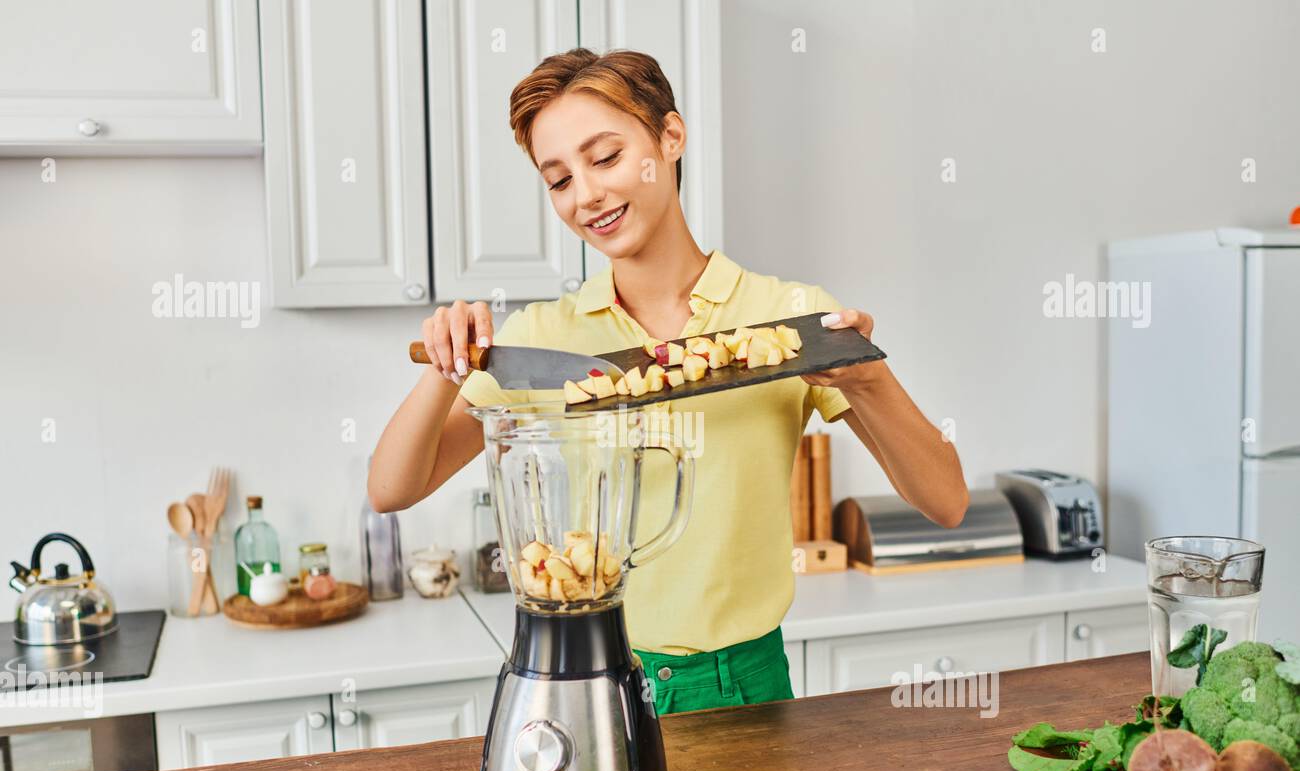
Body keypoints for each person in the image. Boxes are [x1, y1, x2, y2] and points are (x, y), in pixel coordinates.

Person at [369, 48, 968, 715]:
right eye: (558, 179)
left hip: (745, 682)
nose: (586, 195)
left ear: (670, 137)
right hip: (588, 675)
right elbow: (392, 488)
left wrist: (868, 380)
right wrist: (448, 367)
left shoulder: (786, 315)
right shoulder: (543, 335)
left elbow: (946, 502)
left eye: (605, 158)